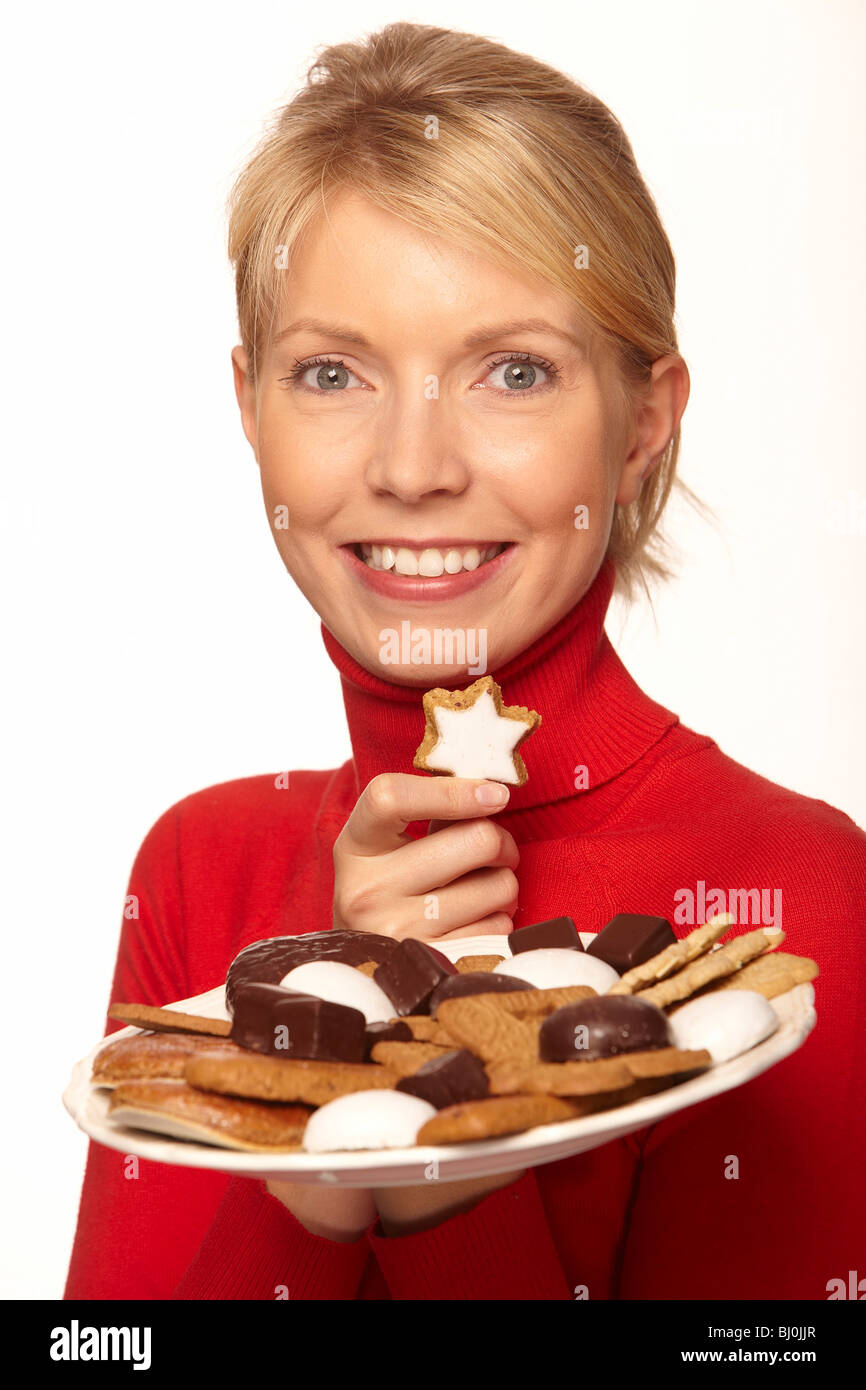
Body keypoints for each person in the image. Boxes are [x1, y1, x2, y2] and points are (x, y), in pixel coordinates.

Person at [64, 21, 866, 1300]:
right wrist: (319, 1134)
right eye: (330, 372)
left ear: (642, 420)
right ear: (246, 406)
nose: (411, 465)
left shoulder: (799, 900)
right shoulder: (194, 874)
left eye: (511, 370)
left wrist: (442, 1167)